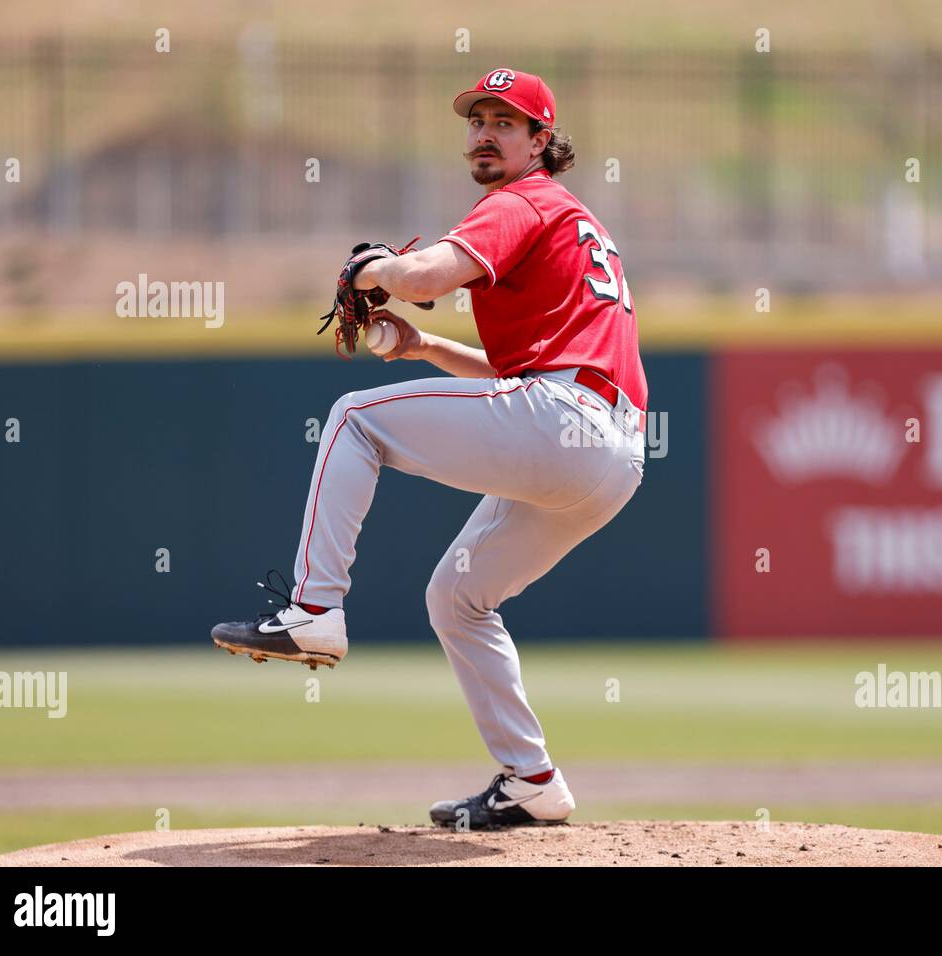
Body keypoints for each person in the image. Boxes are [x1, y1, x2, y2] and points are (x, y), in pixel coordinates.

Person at [211, 68, 648, 829]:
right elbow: (524, 373)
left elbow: (422, 275)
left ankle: (314, 608)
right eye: (477, 119)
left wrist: (369, 266)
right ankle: (531, 781)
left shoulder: (519, 200)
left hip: (563, 419)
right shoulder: (573, 218)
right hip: (610, 453)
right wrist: (428, 346)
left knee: (353, 420)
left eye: (505, 122)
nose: (484, 131)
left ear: (541, 141)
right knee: (459, 597)